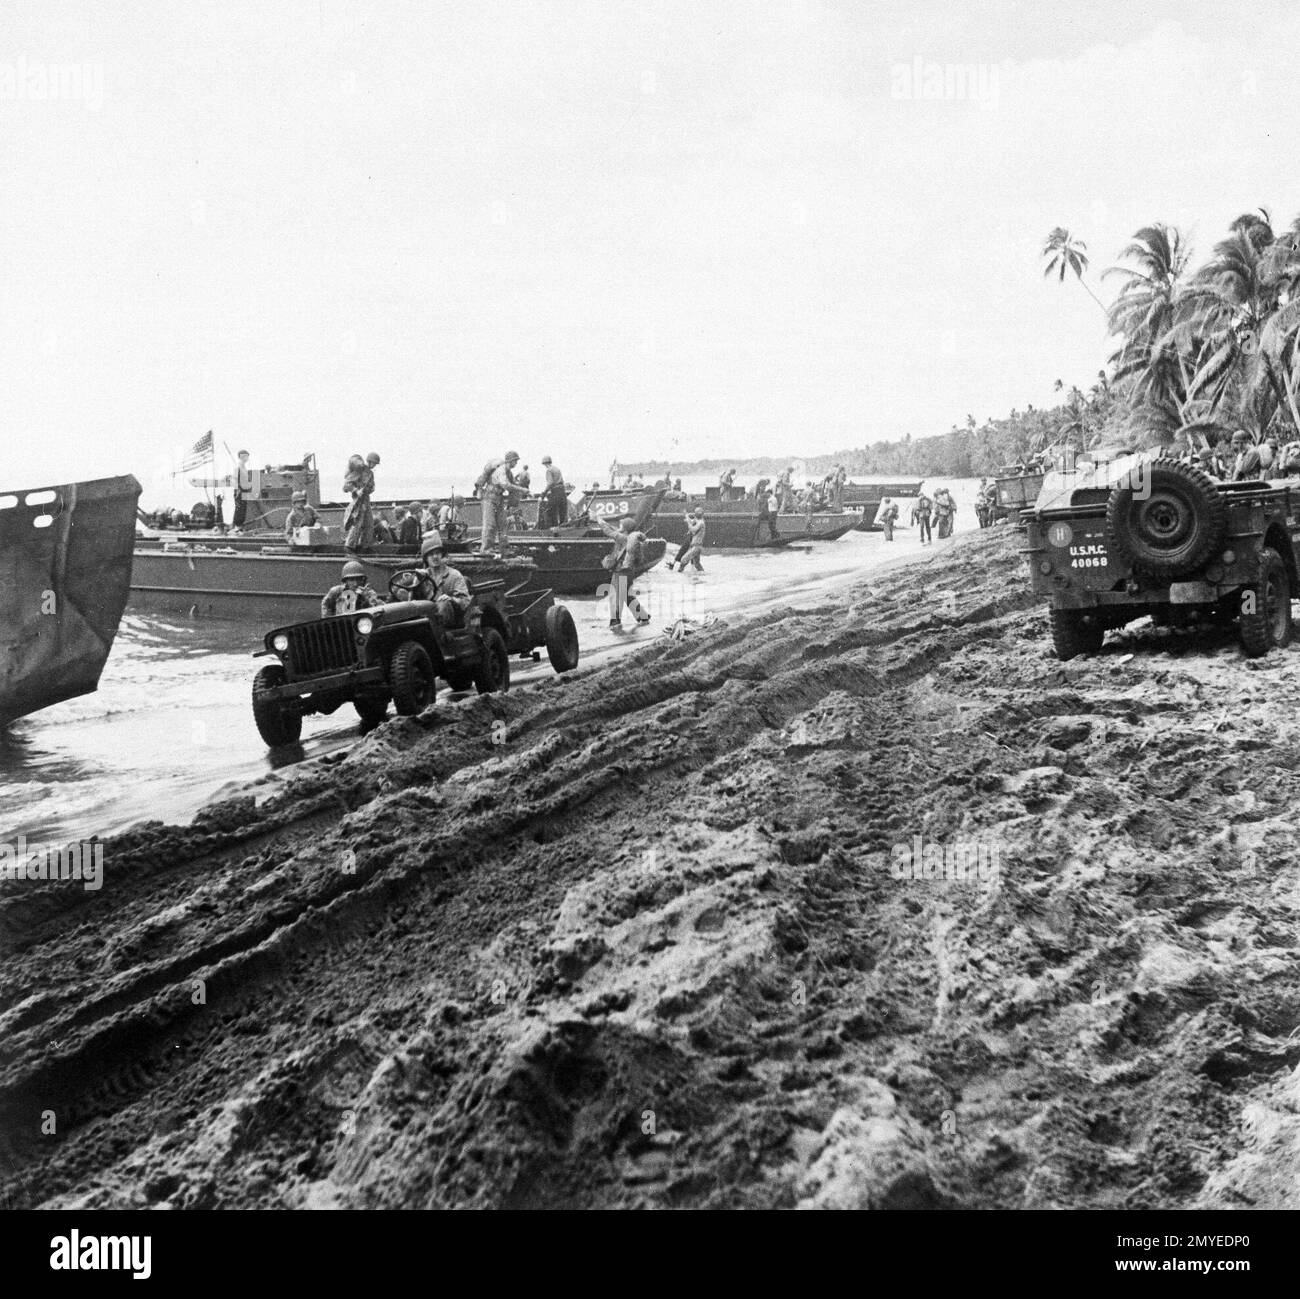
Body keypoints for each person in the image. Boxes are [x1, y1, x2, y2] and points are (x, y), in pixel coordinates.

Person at [597, 515, 652, 629]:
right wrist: (603, 521)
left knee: (615, 596)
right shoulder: (631, 539)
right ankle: (643, 617)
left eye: (621, 525)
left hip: (620, 572)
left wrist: (599, 521)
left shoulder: (623, 538)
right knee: (627, 596)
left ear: (626, 528)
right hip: (628, 572)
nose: (619, 525)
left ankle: (615, 622)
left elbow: (609, 532)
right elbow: (613, 529)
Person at [407, 535, 472, 625]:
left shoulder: (454, 575)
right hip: (426, 618)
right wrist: (418, 581)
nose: (435, 557)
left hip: (449, 622)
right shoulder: (422, 576)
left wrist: (451, 599)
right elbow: (412, 602)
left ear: (442, 555)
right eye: (431, 554)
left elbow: (465, 602)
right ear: (426, 558)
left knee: (443, 604)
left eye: (437, 553)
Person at [480, 450, 522, 556]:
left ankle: (505, 550)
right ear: (511, 461)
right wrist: (522, 489)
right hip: (489, 498)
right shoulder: (501, 470)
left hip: (499, 499)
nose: (516, 463)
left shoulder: (509, 473)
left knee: (503, 525)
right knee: (490, 525)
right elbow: (505, 485)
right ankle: (486, 550)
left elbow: (513, 485)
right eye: (515, 461)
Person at [343, 452, 380, 550]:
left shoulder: (370, 473)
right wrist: (356, 490)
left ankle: (365, 546)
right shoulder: (359, 470)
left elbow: (371, 487)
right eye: (374, 463)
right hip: (358, 501)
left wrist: (370, 488)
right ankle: (349, 547)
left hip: (366, 500)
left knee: (369, 524)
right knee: (357, 523)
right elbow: (346, 485)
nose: (374, 466)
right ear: (369, 461)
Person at [540, 455, 568, 527]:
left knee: (551, 510)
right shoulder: (557, 469)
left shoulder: (549, 470)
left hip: (555, 491)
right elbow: (562, 481)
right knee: (562, 510)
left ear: (545, 463)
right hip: (562, 490)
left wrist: (544, 493)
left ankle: (553, 528)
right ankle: (563, 526)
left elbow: (550, 483)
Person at [675, 507, 706, 572]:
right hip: (696, 546)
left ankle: (679, 573)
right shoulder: (698, 521)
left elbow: (693, 529)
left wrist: (688, 524)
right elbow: (691, 521)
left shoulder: (701, 523)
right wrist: (686, 515)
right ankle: (703, 574)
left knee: (684, 559)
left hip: (696, 546)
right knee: (697, 564)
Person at [231, 449, 254, 528]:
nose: (247, 458)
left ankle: (239, 526)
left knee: (243, 509)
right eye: (246, 456)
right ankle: (237, 527)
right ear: (242, 456)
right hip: (240, 491)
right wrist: (237, 490)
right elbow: (234, 479)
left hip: (244, 490)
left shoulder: (243, 467)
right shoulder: (238, 467)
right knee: (239, 509)